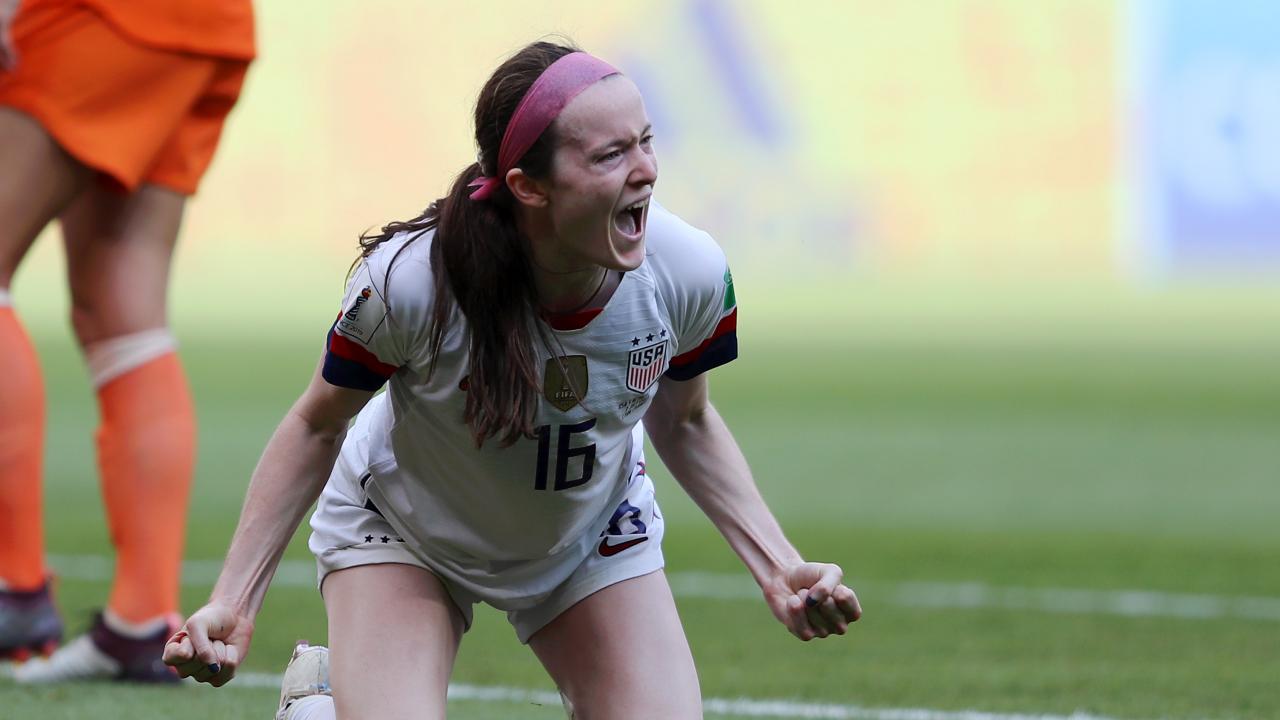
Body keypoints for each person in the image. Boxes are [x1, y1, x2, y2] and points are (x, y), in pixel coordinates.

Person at [163, 40, 861, 719]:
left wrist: (779, 567)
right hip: (405, 533)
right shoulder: (412, 285)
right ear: (529, 187)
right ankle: (321, 707)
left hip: (590, 534)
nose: (645, 170)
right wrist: (236, 598)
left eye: (646, 141)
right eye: (610, 154)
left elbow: (684, 420)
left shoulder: (689, 271)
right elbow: (317, 423)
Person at [0, 0, 254, 682]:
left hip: (105, 15)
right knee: (121, 311)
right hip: (212, 24)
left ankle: (12, 583)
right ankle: (141, 625)